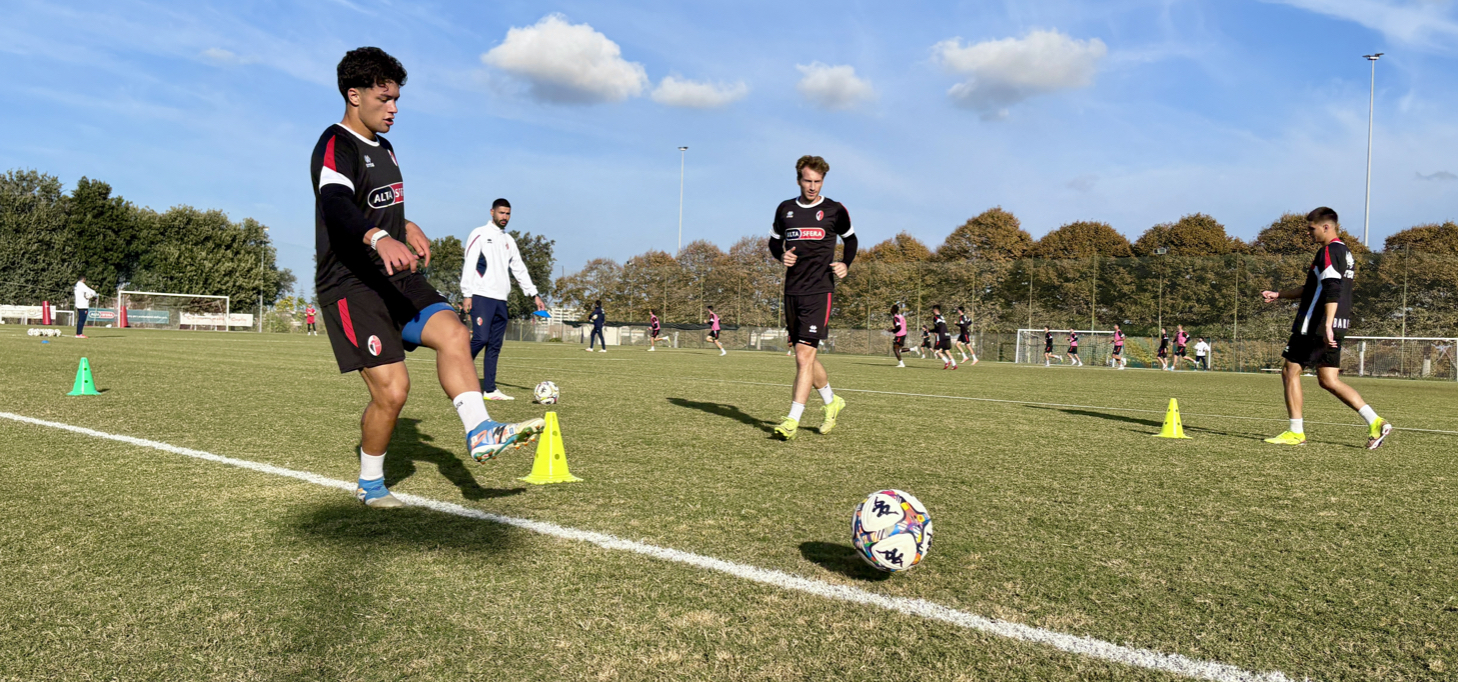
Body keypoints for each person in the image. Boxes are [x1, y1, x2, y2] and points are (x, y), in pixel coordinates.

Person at [310, 47, 542, 508]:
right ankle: (371, 483)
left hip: (396, 277)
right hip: (351, 285)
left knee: (454, 332)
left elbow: (372, 201)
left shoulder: (386, 146)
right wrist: (378, 236)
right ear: (354, 95)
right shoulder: (335, 144)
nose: (394, 108)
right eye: (385, 98)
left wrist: (405, 225)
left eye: (397, 98)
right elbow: (337, 206)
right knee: (393, 393)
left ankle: (480, 431)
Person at [1261, 207, 1391, 448]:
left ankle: (1295, 432)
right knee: (1328, 379)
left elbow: (1332, 288)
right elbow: (1311, 289)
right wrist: (1279, 295)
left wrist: (1327, 324)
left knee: (1290, 370)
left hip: (1316, 325)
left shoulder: (1329, 251)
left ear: (1326, 226)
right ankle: (1375, 421)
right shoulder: (1345, 252)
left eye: (1311, 229)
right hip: (1335, 324)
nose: (1309, 234)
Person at [767, 155, 856, 440]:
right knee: (803, 354)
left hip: (820, 291)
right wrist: (780, 255)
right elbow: (773, 240)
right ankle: (832, 402)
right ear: (798, 180)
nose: (812, 187)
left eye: (818, 182)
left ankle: (792, 419)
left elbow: (851, 239)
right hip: (792, 290)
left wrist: (846, 263)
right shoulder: (785, 209)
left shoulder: (834, 210)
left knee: (805, 356)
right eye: (808, 181)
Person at [461, 198, 546, 401]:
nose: (505, 217)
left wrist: (533, 293)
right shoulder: (479, 233)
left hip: (501, 299)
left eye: (508, 214)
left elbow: (519, 268)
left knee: (495, 345)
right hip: (482, 296)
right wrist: (467, 293)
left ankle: (489, 390)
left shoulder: (509, 241)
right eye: (501, 213)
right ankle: (458, 369)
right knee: (481, 338)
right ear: (492, 212)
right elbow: (470, 262)